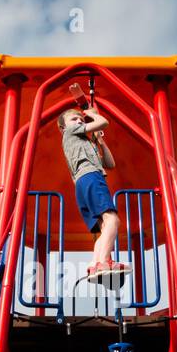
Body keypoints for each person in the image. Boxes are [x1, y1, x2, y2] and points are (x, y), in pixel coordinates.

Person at [57, 106, 127, 280]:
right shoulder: (70, 133)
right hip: (90, 178)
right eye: (74, 119)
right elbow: (103, 122)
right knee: (113, 220)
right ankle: (103, 262)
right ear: (64, 128)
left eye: (81, 119)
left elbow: (110, 164)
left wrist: (99, 141)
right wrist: (91, 115)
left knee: (104, 228)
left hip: (84, 183)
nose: (79, 121)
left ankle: (94, 263)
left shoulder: (85, 143)